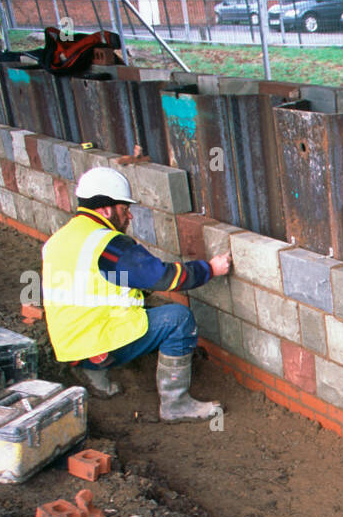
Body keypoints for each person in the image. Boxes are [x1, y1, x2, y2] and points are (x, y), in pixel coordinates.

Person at [41, 167, 231, 422]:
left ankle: (92, 373)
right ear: (106, 210)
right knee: (177, 318)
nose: (129, 215)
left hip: (70, 345)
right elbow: (165, 277)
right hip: (96, 344)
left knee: (145, 305)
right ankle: (176, 404)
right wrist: (210, 269)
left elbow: (96, 284)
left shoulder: (61, 238)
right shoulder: (107, 242)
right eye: (123, 209)